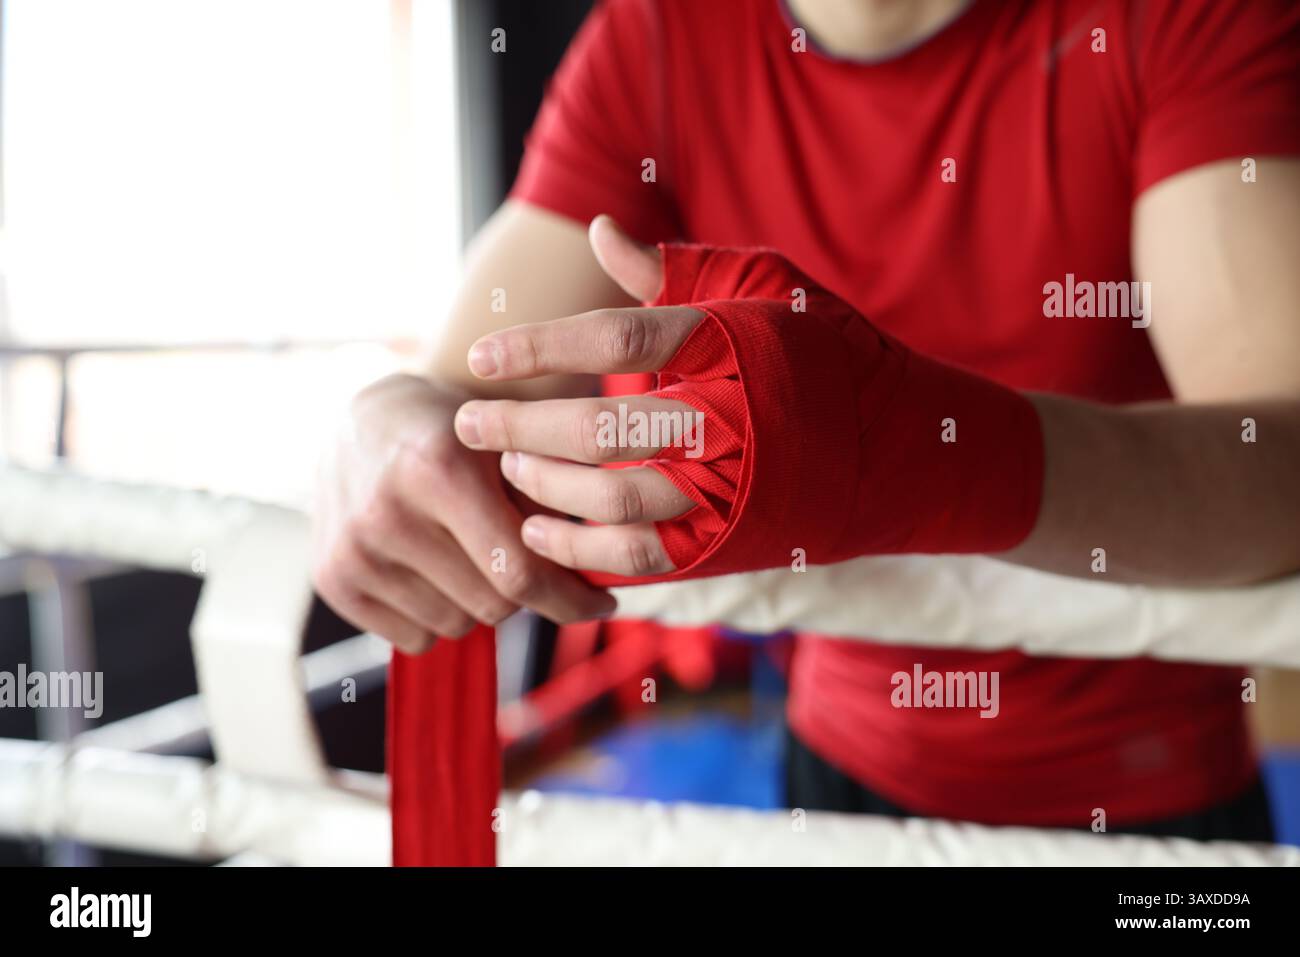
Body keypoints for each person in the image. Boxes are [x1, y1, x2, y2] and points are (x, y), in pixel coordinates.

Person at [311, 0, 1300, 841]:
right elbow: (468, 387)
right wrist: (385, 422)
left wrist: (921, 450)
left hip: (1150, 806)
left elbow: (1281, 459)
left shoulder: (1180, 18)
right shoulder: (663, 34)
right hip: (830, 781)